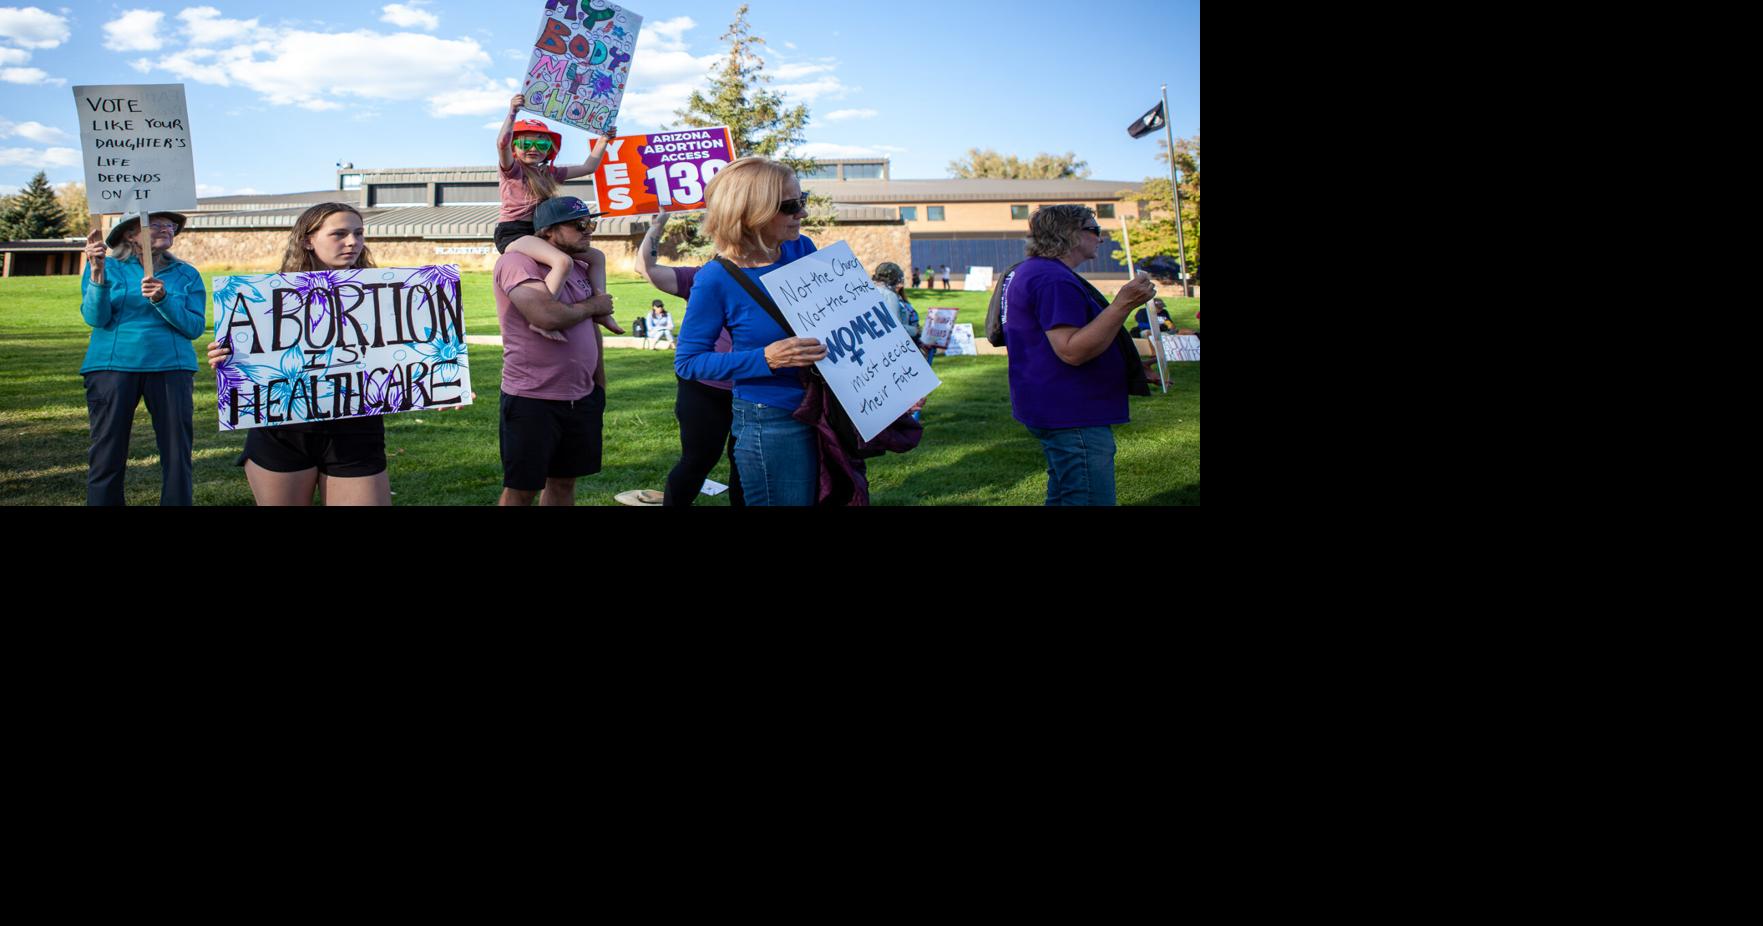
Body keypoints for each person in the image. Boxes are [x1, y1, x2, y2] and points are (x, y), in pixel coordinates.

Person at [206, 202, 395, 505]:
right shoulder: (264, 298)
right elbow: (252, 361)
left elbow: (405, 356)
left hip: (355, 432)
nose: (352, 242)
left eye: (359, 233)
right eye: (339, 234)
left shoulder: (386, 295)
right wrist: (227, 357)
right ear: (308, 240)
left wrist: (442, 386)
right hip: (282, 432)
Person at [674, 156, 827, 507]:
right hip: (771, 419)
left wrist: (890, 386)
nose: (803, 213)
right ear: (750, 212)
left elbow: (837, 320)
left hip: (822, 405)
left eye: (802, 200)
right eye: (790, 206)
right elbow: (688, 362)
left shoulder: (802, 248)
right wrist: (765, 359)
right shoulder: (715, 278)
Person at [1004, 204, 1155, 506]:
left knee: (1066, 496)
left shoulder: (1035, 271)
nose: (1101, 237)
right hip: (1072, 414)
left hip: (1055, 407)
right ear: (1070, 234)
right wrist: (1123, 304)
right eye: (1094, 230)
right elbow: (1071, 350)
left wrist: (1130, 368)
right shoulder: (1053, 279)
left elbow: (1053, 342)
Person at [492, 195, 624, 506]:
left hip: (582, 397)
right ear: (548, 230)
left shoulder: (579, 264)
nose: (588, 231)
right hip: (533, 398)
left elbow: (590, 328)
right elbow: (546, 316)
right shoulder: (516, 263)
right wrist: (594, 305)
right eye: (579, 225)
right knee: (522, 490)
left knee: (564, 483)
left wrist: (598, 386)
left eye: (590, 223)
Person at [79, 212, 205, 506]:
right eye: (155, 224)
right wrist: (97, 274)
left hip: (171, 367)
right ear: (129, 234)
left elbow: (194, 327)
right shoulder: (106, 266)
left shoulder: (187, 274)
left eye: (170, 225)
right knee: (107, 452)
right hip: (112, 368)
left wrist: (163, 299)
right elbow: (96, 319)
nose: (166, 229)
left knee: (177, 453)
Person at [638, 210, 744, 507]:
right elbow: (646, 269)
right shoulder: (702, 276)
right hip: (704, 389)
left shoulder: (769, 276)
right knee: (697, 460)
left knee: (744, 465)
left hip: (751, 388)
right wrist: (657, 227)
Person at [496, 93, 611, 342]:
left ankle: (601, 308)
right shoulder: (513, 171)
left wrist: (603, 140)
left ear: (550, 150)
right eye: (526, 143)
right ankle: (543, 318)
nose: (534, 149)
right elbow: (502, 144)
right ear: (515, 148)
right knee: (562, 262)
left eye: (542, 144)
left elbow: (589, 167)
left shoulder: (548, 173)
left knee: (596, 257)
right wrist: (512, 113)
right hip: (514, 232)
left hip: (540, 230)